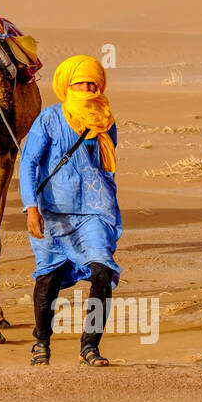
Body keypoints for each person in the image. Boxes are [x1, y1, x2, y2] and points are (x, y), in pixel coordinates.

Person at [19, 54, 121, 367]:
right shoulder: (49, 118)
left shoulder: (105, 121)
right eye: (80, 83)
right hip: (52, 211)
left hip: (94, 211)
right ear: (67, 86)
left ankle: (90, 346)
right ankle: (41, 343)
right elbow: (28, 163)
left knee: (102, 273)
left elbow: (106, 166)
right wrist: (31, 207)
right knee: (47, 278)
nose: (86, 88)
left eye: (91, 83)